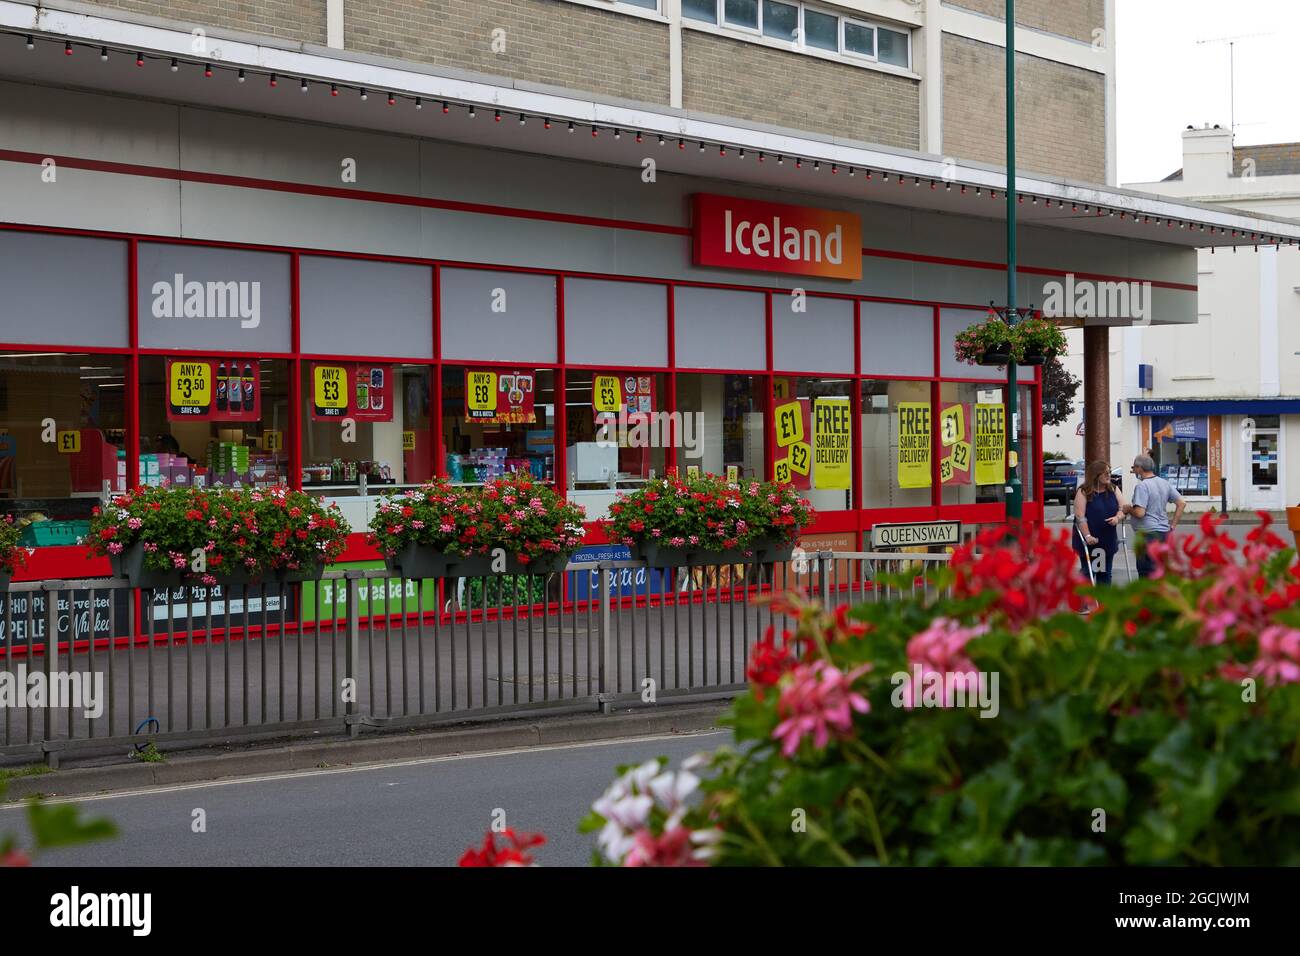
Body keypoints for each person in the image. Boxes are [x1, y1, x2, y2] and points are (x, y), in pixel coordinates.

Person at [1124, 452, 1184, 578]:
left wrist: (1128, 509)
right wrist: (1172, 526)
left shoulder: (1142, 486)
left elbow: (1140, 513)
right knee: (1160, 571)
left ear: (1140, 468)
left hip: (1147, 534)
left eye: (1134, 467)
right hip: (1163, 532)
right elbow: (1181, 503)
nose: (1133, 470)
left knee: (1146, 573)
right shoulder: (1164, 483)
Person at [1072, 460, 1127, 585]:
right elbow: (1080, 516)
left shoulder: (1113, 489)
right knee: (1089, 573)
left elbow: (1122, 509)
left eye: (1109, 472)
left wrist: (1117, 518)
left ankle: (1103, 602)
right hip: (1090, 539)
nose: (1109, 475)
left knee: (1104, 573)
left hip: (1106, 539)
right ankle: (1085, 602)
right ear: (1095, 475)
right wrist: (1087, 536)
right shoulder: (1084, 491)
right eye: (1105, 473)